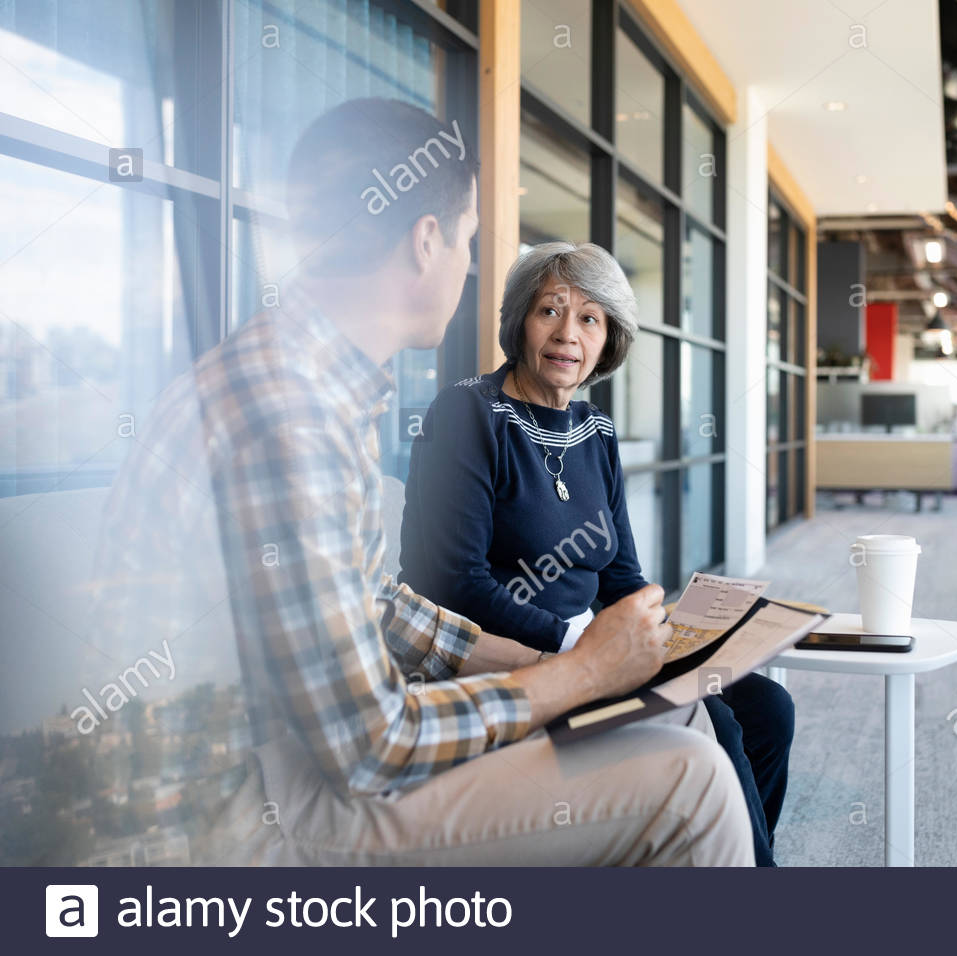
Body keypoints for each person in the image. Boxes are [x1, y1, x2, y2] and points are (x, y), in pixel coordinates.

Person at [92, 98, 753, 866]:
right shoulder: (292, 419)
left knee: (678, 722)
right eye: (470, 240)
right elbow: (376, 746)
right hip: (231, 816)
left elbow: (368, 598)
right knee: (691, 780)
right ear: (425, 241)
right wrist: (579, 671)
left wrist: (546, 667)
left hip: (298, 752)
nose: (470, 265)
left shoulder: (303, 381)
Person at [398, 241, 795, 866]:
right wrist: (581, 646)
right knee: (714, 718)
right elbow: (456, 581)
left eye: (590, 318)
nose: (567, 334)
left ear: (609, 338)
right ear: (518, 321)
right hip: (512, 655)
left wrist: (683, 636)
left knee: (769, 706)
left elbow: (621, 574)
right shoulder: (469, 413)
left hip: (593, 641)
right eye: (550, 310)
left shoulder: (596, 432)